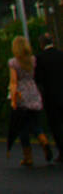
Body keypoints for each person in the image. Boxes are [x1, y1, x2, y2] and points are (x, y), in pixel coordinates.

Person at [8, 35, 51, 167]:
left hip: (22, 95)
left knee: (22, 128)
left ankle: (28, 157)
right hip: (33, 92)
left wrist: (13, 99)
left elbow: (14, 82)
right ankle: (43, 140)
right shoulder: (32, 60)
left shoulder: (14, 63)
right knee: (35, 123)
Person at [34, 33, 63, 163]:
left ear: (41, 44)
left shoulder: (40, 58)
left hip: (51, 96)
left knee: (56, 125)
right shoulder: (61, 54)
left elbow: (38, 78)